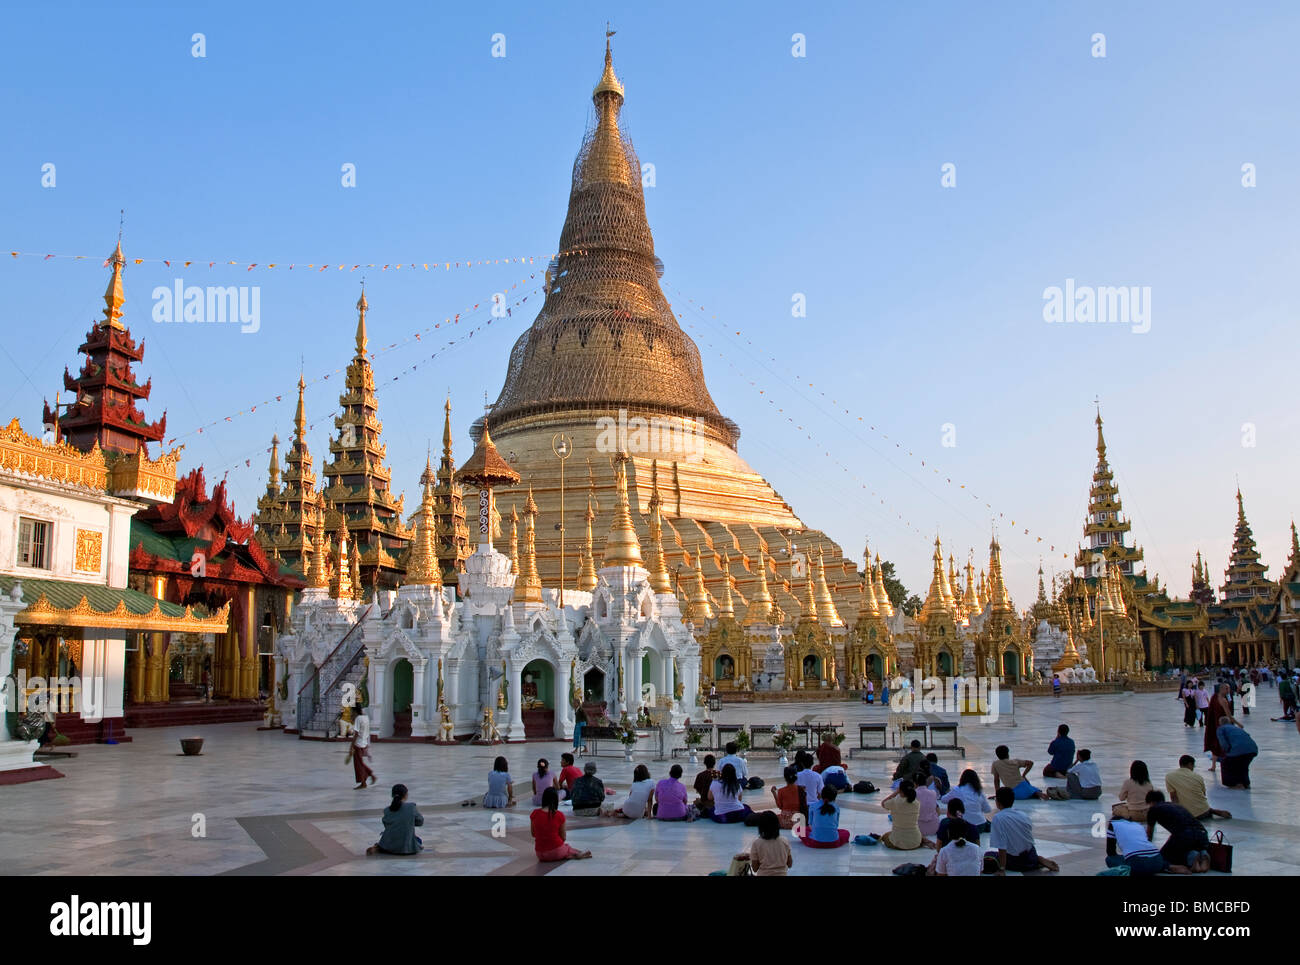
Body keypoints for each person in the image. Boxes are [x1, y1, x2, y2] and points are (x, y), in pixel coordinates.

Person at [987, 786, 1059, 873]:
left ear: (997, 802)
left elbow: (1002, 846)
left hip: (1016, 861)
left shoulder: (998, 818)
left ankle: (1035, 861)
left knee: (988, 856)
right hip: (1031, 855)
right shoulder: (1023, 815)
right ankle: (1036, 860)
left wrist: (1002, 869)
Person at [1145, 791, 1210, 873]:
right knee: (1181, 845)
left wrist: (1146, 850)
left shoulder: (1153, 809)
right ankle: (1202, 855)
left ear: (1151, 802)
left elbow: (1149, 834)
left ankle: (1192, 860)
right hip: (1202, 834)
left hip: (1186, 835)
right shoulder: (1176, 806)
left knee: (1162, 859)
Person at [531, 787, 592, 862]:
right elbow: (563, 837)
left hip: (540, 853)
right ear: (556, 800)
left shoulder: (534, 813)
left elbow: (533, 834)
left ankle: (572, 853)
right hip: (556, 852)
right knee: (567, 848)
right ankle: (576, 853)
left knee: (564, 848)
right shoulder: (559, 815)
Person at [1165, 755, 1231, 820]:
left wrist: (1177, 814)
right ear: (1190, 764)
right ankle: (1211, 811)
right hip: (1203, 812)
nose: (1193, 768)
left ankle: (1211, 811)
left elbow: (1173, 797)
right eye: (1193, 766)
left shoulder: (1169, 776)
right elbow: (1203, 795)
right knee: (1201, 806)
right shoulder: (1198, 777)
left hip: (1186, 815)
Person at [366, 783, 423, 855]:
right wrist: (409, 820)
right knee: (418, 840)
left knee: (387, 838)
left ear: (392, 795)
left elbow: (386, 824)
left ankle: (378, 847)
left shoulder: (387, 810)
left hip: (389, 845)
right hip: (406, 847)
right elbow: (420, 822)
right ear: (405, 795)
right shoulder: (411, 807)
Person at [879, 779, 925, 850]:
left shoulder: (895, 802)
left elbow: (883, 803)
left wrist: (895, 793)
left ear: (900, 790)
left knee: (885, 836)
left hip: (898, 842)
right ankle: (924, 841)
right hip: (916, 841)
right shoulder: (917, 803)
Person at [1216, 717, 1258, 789]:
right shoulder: (1236, 728)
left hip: (1238, 750)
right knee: (1243, 766)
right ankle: (1245, 783)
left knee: (1227, 764)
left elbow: (1223, 743)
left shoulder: (1221, 729)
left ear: (1220, 723)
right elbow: (1247, 736)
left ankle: (1235, 784)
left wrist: (1226, 752)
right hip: (1252, 749)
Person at [749, 810, 793, 876]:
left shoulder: (757, 843)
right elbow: (789, 864)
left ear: (761, 826)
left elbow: (755, 868)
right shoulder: (784, 841)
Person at [1204, 683, 1233, 771]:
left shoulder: (1228, 697)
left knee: (1224, 745)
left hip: (1224, 724)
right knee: (1216, 745)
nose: (1228, 690)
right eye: (1226, 688)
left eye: (1229, 688)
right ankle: (1214, 765)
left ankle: (1226, 764)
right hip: (1218, 724)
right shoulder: (1216, 698)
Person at [771, 765, 805, 830]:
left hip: (785, 821)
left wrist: (774, 793)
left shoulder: (781, 791)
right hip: (798, 821)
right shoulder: (801, 789)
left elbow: (780, 806)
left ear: (785, 778)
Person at [350, 706, 376, 789]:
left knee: (358, 765)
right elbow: (367, 731)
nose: (351, 713)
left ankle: (365, 781)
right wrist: (367, 744)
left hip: (357, 744)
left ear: (355, 711)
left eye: (352, 711)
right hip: (364, 743)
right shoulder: (366, 718)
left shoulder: (358, 718)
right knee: (360, 763)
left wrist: (351, 745)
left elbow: (356, 733)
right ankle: (368, 777)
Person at [794, 750, 824, 819]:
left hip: (801, 807)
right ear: (812, 763)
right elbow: (821, 794)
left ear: (802, 763)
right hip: (814, 806)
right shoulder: (818, 776)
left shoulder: (797, 776)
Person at [915, 774, 941, 839]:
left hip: (918, 828)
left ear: (915, 783)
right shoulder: (933, 793)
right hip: (934, 827)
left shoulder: (913, 793)